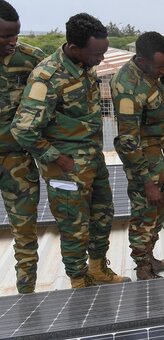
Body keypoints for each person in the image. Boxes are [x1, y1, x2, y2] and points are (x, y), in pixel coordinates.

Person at [13, 13, 129, 288]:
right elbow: (23, 129)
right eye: (96, 54)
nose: (100, 60)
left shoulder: (84, 64)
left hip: (92, 158)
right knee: (74, 228)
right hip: (66, 168)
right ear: (74, 48)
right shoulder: (48, 77)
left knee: (103, 215)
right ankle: (79, 279)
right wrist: (58, 159)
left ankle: (99, 269)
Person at [111, 32, 164, 280]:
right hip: (139, 160)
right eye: (160, 66)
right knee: (144, 213)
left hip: (153, 153)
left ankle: (150, 257)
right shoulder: (128, 87)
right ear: (141, 60)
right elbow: (128, 141)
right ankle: (143, 268)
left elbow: (154, 119)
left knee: (159, 210)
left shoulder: (151, 74)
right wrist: (146, 182)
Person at [0, 0, 46, 293]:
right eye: (4, 36)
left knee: (25, 230)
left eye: (15, 35)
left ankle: (26, 294)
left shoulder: (30, 59)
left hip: (17, 161)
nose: (12, 42)